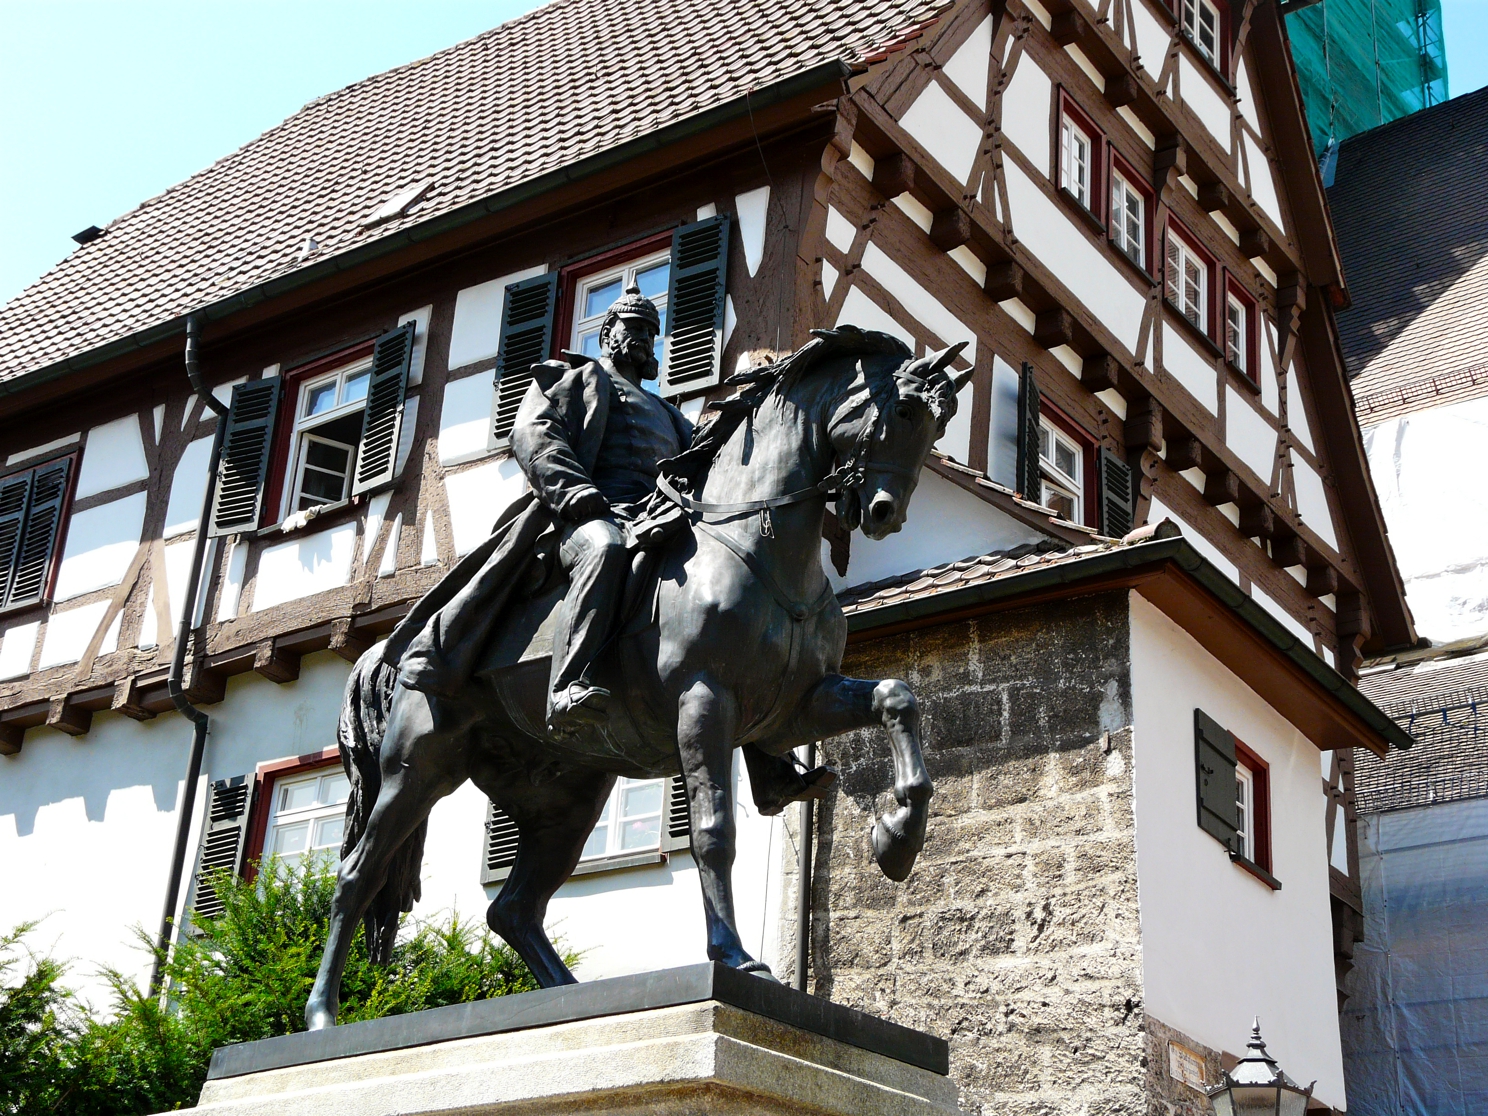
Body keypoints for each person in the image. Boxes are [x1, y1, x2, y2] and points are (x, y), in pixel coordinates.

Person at [511, 282, 688, 735]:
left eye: (652, 332)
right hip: (590, 515)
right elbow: (535, 434)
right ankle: (566, 686)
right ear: (608, 332)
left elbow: (705, 455)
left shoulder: (668, 413)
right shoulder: (577, 379)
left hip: (656, 515)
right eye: (634, 328)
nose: (645, 339)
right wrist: (572, 491)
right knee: (604, 549)